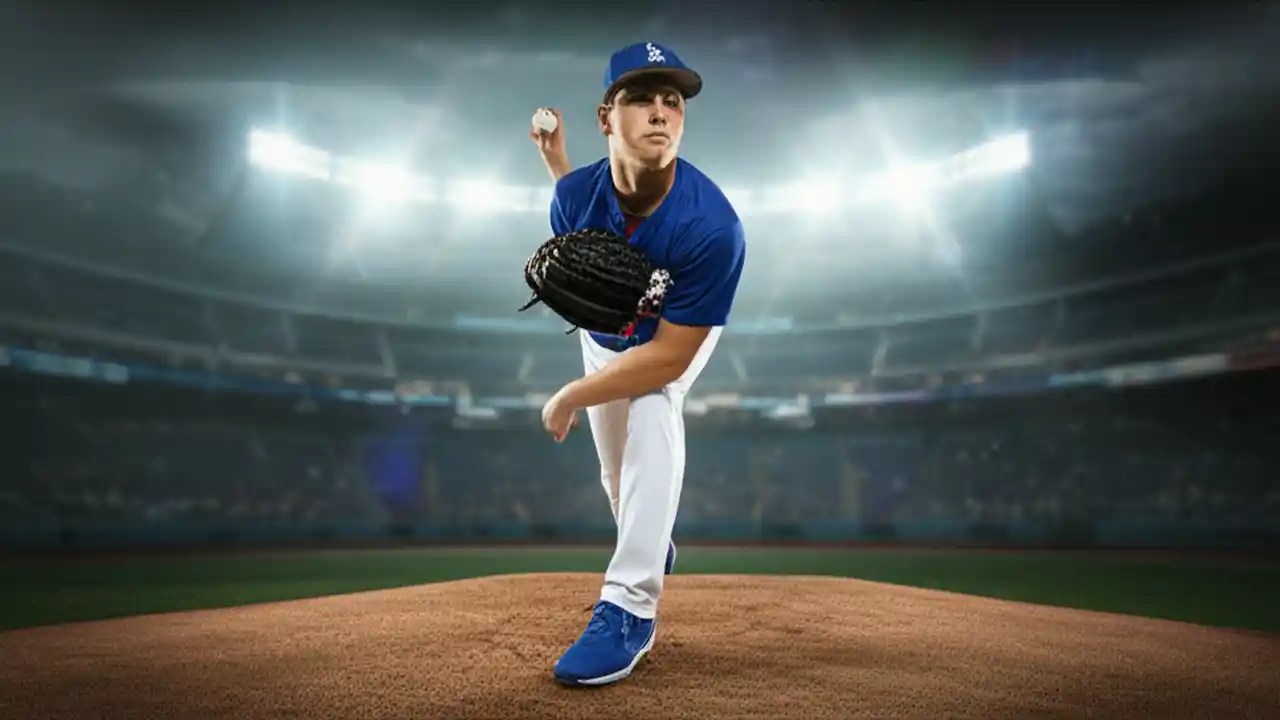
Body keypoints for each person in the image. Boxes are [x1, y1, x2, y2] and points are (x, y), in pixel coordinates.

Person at [527, 41, 746, 686]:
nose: (660, 112)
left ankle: (629, 609)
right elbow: (580, 206)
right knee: (615, 475)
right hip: (605, 337)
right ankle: (651, 538)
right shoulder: (571, 196)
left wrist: (573, 393)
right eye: (641, 98)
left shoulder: (713, 227)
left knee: (654, 403)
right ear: (606, 118)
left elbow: (668, 358)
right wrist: (556, 161)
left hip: (673, 338)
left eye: (672, 101)